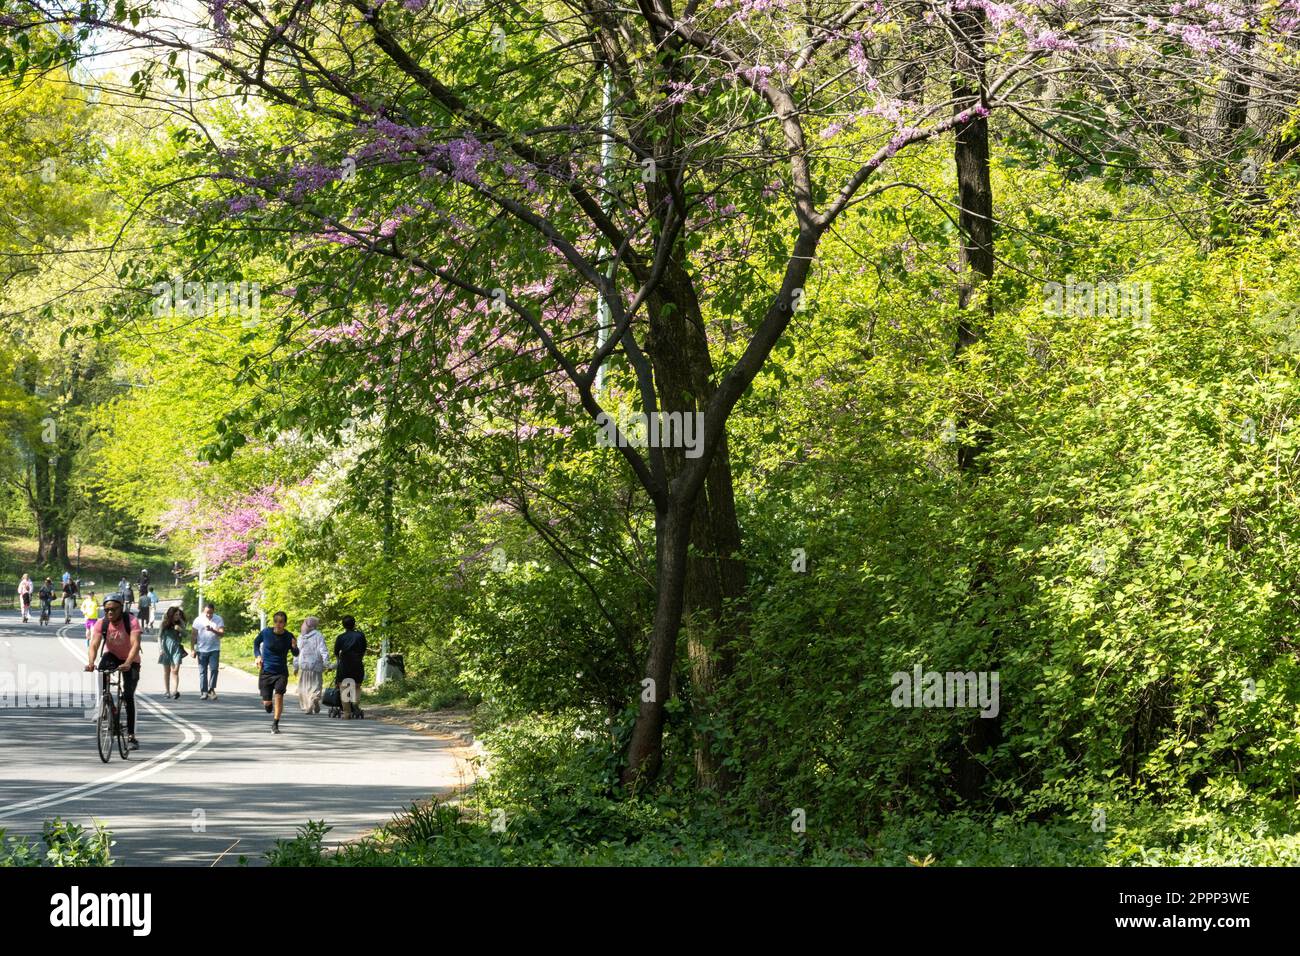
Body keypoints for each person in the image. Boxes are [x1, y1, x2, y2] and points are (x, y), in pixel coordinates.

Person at [83, 593, 142, 750]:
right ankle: (105, 702)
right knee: (101, 670)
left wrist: (129, 663)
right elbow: (94, 645)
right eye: (107, 609)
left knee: (129, 696)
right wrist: (90, 663)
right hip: (113, 655)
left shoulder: (131, 621)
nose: (110, 612)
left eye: (114, 609)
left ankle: (131, 737)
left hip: (131, 659)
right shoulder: (101, 624)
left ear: (121, 608)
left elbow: (135, 645)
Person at [254, 611, 299, 734]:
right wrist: (258, 656)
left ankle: (275, 723)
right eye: (276, 621)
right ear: (273, 622)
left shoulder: (289, 636)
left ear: (284, 623)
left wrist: (294, 647)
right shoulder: (266, 633)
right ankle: (268, 705)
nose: (278, 624)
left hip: (281, 672)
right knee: (268, 703)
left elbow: (296, 653)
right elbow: (256, 643)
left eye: (281, 622)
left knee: (279, 696)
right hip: (266, 671)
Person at [333, 616, 368, 719]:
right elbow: (363, 649)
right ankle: (355, 702)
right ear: (354, 624)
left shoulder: (340, 637)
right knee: (357, 685)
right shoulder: (360, 636)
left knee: (344, 687)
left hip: (344, 664)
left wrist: (339, 660)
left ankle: (347, 713)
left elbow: (336, 652)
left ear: (343, 625)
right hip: (357, 663)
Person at [295, 616, 330, 714]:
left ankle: (308, 706)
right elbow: (323, 650)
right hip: (316, 665)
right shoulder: (318, 635)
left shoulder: (301, 637)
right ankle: (314, 699)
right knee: (315, 685)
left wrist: (296, 665)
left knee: (304, 687)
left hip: (304, 665)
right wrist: (326, 662)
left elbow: (297, 652)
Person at [192, 602, 225, 700]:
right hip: (201, 649)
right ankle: (204, 691)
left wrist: (213, 630)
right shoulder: (198, 620)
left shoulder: (218, 619)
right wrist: (193, 649)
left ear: (213, 611)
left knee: (214, 669)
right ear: (203, 611)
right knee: (203, 671)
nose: (208, 615)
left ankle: (211, 689)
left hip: (214, 649)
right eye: (207, 612)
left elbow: (222, 634)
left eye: (210, 613)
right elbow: (193, 635)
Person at [157, 606, 188, 699]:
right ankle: (167, 691)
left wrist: (180, 630)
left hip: (176, 649)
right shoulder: (164, 623)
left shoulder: (181, 623)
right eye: (176, 614)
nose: (178, 616)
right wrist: (160, 649)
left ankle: (175, 691)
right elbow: (159, 637)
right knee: (167, 672)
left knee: (175, 670)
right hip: (166, 649)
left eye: (179, 614)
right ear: (171, 615)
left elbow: (186, 635)